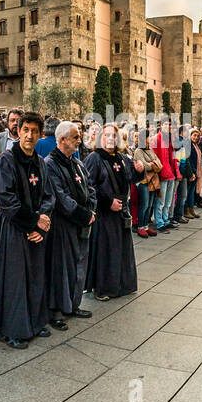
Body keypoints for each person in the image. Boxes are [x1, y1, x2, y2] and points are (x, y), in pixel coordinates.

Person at [0, 112, 55, 348]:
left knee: (35, 276)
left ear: (40, 134)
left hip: (35, 228)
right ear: (18, 130)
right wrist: (33, 223)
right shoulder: (7, 159)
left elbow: (48, 195)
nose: (30, 135)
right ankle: (11, 329)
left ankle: (34, 323)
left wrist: (42, 222)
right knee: (14, 280)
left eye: (35, 131)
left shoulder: (39, 161)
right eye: (26, 129)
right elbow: (6, 198)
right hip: (14, 228)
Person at [43, 122, 93, 320]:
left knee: (79, 265)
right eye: (75, 137)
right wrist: (84, 215)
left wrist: (91, 210)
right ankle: (56, 310)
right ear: (62, 140)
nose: (79, 141)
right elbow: (60, 197)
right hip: (62, 225)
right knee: (61, 268)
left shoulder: (77, 163)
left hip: (81, 223)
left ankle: (73, 304)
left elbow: (90, 188)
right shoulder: (50, 164)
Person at [86, 125, 138, 300]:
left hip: (122, 210)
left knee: (122, 249)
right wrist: (108, 203)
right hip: (105, 212)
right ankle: (104, 288)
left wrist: (140, 170)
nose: (110, 138)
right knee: (106, 251)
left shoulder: (122, 158)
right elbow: (89, 186)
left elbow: (132, 177)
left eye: (114, 135)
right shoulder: (94, 158)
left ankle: (122, 285)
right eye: (106, 135)